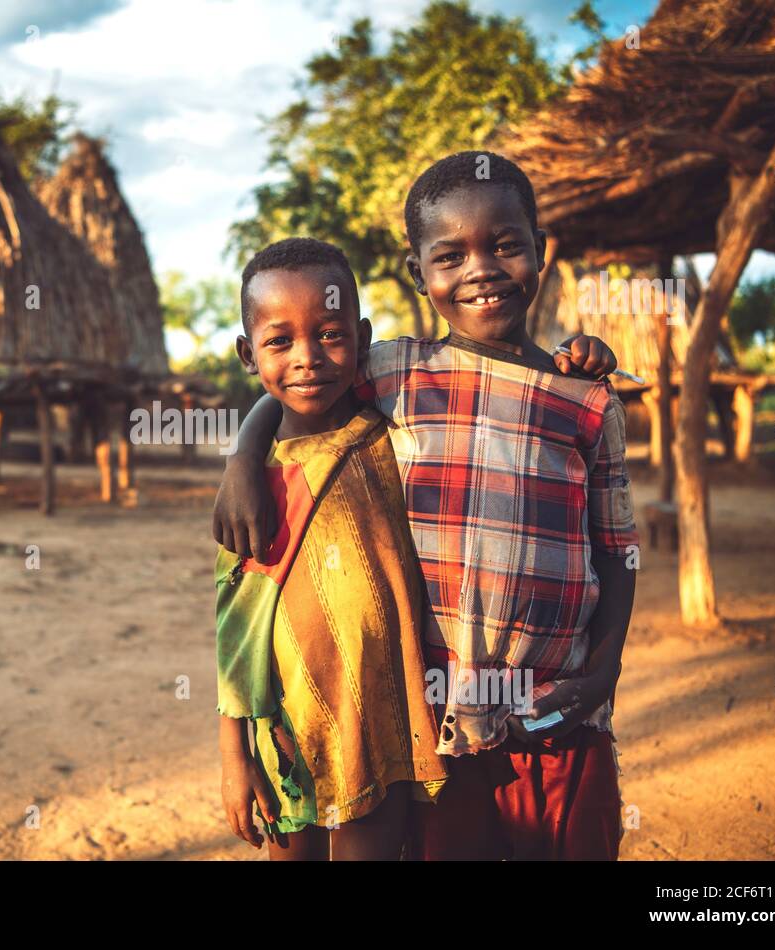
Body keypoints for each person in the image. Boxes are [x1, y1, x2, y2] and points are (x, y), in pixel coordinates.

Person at [215, 151, 637, 860]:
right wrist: (242, 457)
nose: (481, 270)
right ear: (418, 273)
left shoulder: (588, 400)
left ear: (541, 251)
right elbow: (292, 383)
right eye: (451, 255)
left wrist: (606, 667)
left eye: (506, 245)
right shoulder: (396, 373)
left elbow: (617, 551)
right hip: (438, 707)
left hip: (558, 703)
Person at [217, 238, 446, 861]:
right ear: (248, 353)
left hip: (380, 724)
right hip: (287, 734)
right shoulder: (256, 482)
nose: (308, 358)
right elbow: (238, 633)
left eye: (330, 334)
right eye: (279, 341)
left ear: (362, 335)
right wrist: (234, 758)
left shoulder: (395, 439)